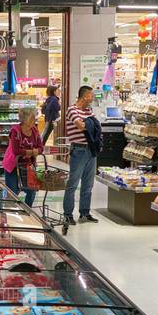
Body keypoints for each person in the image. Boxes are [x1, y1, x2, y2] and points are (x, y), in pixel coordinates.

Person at [62, 85, 98, 225]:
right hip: (78, 150)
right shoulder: (72, 109)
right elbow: (81, 126)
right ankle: (68, 214)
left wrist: (88, 124)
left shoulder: (89, 110)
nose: (93, 97)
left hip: (91, 150)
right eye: (91, 95)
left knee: (88, 185)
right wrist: (89, 124)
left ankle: (84, 213)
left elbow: (94, 126)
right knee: (73, 184)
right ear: (84, 96)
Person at [2, 105, 43, 207]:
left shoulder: (35, 131)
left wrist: (33, 151)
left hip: (28, 166)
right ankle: (11, 213)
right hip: (13, 165)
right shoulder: (15, 131)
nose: (34, 120)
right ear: (25, 119)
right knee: (13, 192)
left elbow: (41, 148)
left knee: (31, 191)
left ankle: (27, 212)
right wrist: (32, 152)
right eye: (32, 118)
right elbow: (16, 151)